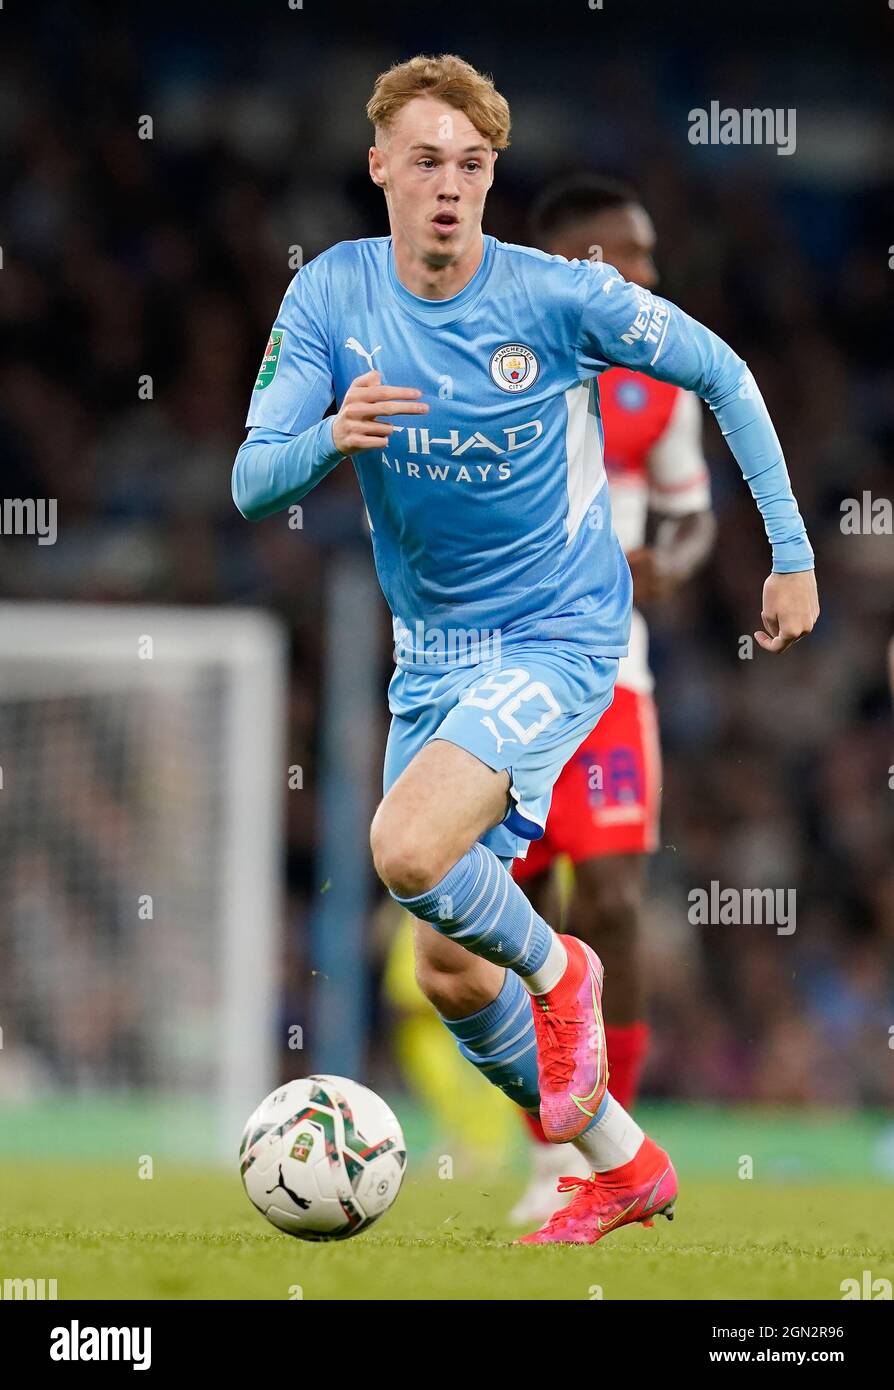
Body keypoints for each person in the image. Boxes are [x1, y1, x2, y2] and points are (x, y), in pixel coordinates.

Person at [231, 53, 818, 1245]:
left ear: (491, 177)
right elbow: (251, 477)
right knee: (447, 969)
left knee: (404, 847)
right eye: (427, 160)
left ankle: (564, 974)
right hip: (430, 653)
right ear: (380, 166)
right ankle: (623, 1162)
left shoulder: (556, 297)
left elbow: (723, 368)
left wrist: (792, 551)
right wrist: (330, 436)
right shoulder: (331, 299)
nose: (449, 185)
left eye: (474, 164)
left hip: (559, 630)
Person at [510, 175, 717, 1225]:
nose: (648, 276)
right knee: (503, 930)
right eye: (626, 257)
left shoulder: (665, 378)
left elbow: (690, 516)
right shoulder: (495, 367)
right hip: (496, 682)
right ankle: (552, 1147)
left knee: (615, 906)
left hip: (610, 684)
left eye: (650, 256)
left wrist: (674, 562)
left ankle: (608, 1149)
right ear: (572, 263)